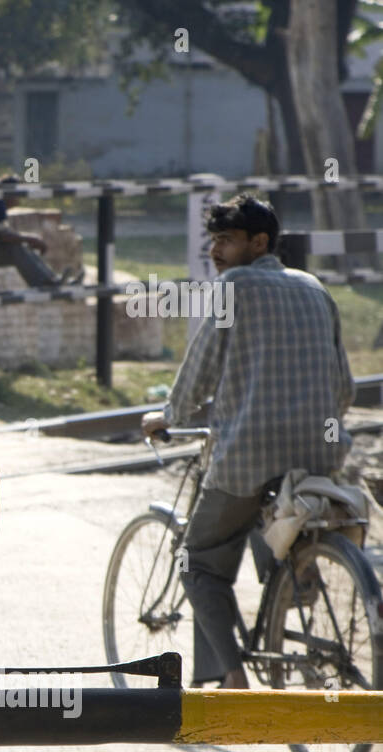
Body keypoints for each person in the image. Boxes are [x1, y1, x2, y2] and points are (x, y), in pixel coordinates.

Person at [141, 194, 355, 688]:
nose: (216, 251)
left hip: (246, 458)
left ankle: (234, 679)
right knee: (273, 534)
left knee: (198, 564)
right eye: (213, 240)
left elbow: (199, 375)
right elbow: (343, 386)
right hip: (317, 457)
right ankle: (292, 587)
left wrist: (167, 415)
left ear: (258, 243)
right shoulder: (315, 288)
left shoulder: (232, 287)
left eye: (226, 240)